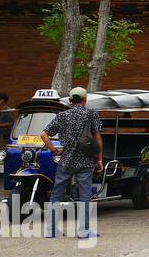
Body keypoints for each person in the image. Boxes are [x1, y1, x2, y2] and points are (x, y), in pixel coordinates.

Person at [41, 87, 103, 238]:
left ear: (71, 99)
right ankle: (84, 231)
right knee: (85, 196)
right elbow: (98, 138)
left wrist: (54, 151)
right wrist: (100, 159)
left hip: (66, 161)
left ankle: (51, 230)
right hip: (85, 161)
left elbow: (43, 134)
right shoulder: (91, 114)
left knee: (56, 194)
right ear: (84, 99)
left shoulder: (62, 115)